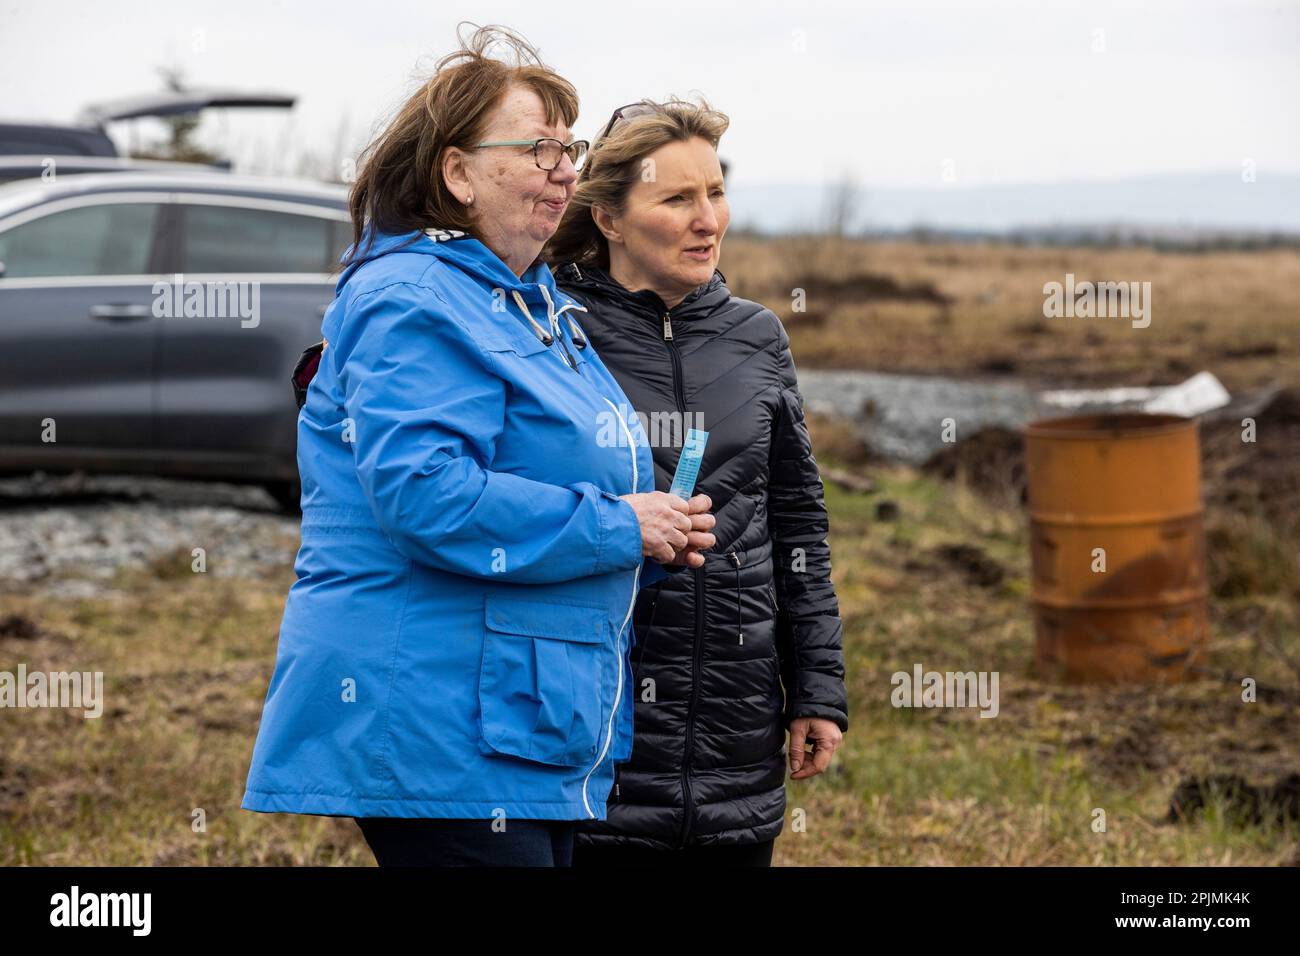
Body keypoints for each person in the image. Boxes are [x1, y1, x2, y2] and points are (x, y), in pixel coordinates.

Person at [241, 27, 716, 868]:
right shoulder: (416, 300)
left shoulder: (525, 305)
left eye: (568, 147)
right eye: (538, 148)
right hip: (437, 719)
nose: (565, 167)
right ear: (457, 174)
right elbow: (428, 496)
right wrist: (620, 527)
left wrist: (655, 531)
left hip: (517, 720)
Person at [546, 98, 848, 866]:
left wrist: (816, 690)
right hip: (595, 733)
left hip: (735, 735)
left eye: (715, 192)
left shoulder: (757, 338)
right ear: (610, 218)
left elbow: (799, 526)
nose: (707, 219)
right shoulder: (551, 328)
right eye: (677, 199)